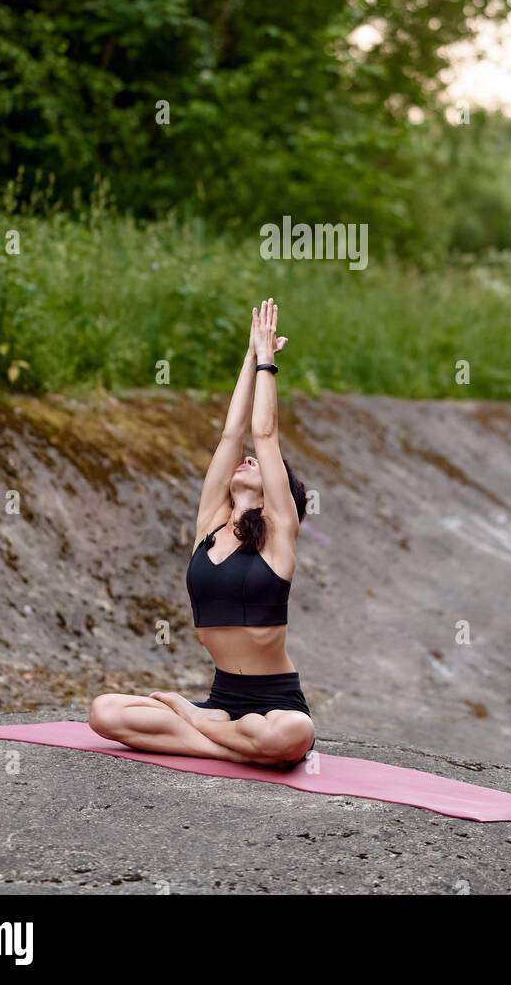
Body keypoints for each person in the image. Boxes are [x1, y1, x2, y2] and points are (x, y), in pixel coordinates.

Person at [89, 299, 315, 769]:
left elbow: (262, 434)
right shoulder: (210, 528)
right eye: (245, 461)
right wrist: (250, 356)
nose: (247, 459)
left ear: (283, 495)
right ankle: (221, 738)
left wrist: (269, 364)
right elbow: (233, 433)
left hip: (274, 703)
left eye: (260, 466)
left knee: (293, 733)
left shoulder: (278, 536)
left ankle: (201, 725)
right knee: (104, 712)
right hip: (223, 701)